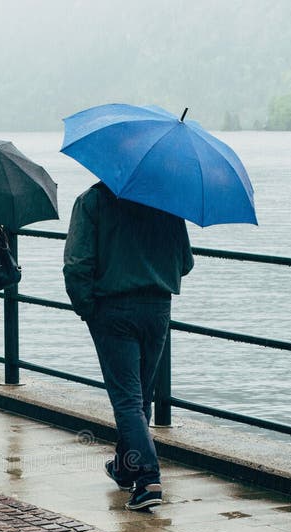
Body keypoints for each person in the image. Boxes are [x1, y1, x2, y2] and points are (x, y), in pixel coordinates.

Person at [63, 182, 193, 511]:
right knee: (140, 396)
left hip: (113, 309)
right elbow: (185, 263)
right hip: (157, 308)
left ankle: (148, 478)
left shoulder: (92, 200)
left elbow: (77, 264)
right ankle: (125, 467)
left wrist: (87, 309)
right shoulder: (165, 199)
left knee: (127, 400)